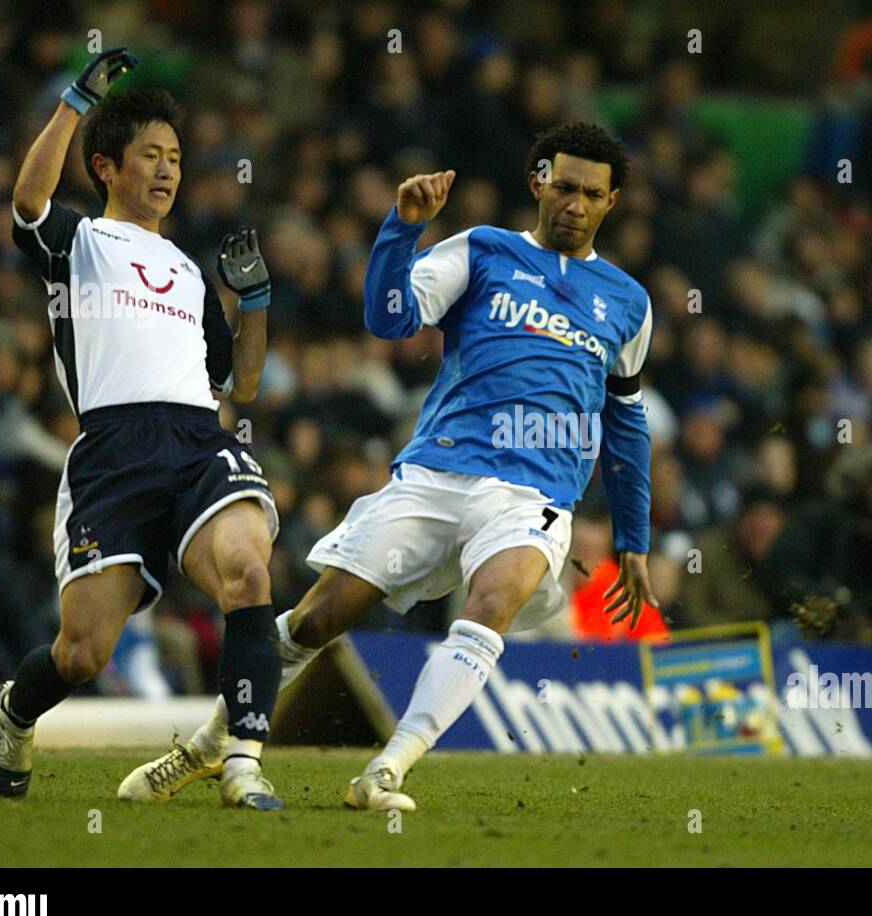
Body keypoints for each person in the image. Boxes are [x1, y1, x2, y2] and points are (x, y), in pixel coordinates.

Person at [122, 122, 657, 811]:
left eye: (591, 193)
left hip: (535, 494)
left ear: (612, 202)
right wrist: (402, 231)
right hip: (436, 471)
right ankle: (207, 741)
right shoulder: (484, 250)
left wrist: (634, 539)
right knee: (318, 620)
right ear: (538, 182)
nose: (574, 204)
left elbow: (627, 423)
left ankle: (387, 769)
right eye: (563, 186)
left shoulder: (629, 303)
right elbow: (389, 318)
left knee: (493, 602)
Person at [0, 49, 285, 809]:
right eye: (150, 155)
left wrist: (255, 302)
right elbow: (25, 198)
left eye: (176, 158)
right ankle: (16, 715)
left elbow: (240, 383)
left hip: (197, 441)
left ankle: (244, 757)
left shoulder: (186, 269)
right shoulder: (77, 241)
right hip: (114, 453)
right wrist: (74, 100)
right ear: (106, 165)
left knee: (250, 571)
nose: (167, 170)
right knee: (84, 652)